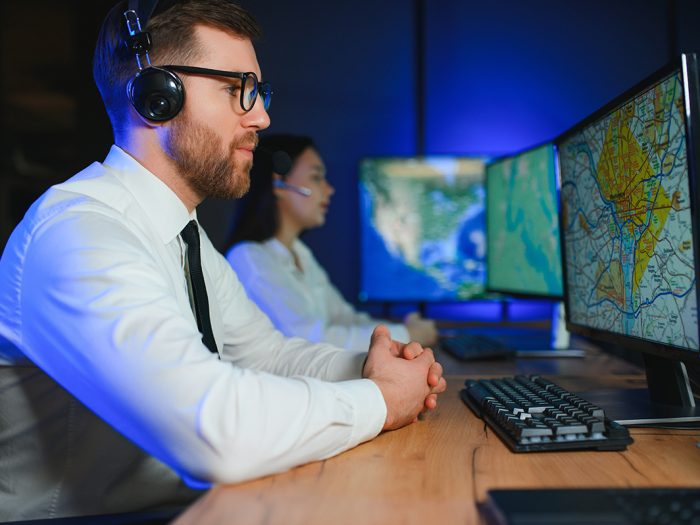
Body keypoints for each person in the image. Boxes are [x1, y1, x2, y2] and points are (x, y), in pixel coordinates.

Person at [0, 0, 446, 520]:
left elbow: (265, 356)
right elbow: (216, 432)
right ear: (155, 98)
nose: (261, 116)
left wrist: (369, 367)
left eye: (258, 92)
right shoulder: (78, 235)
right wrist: (381, 400)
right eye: (238, 90)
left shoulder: (180, 233)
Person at [226, 134, 439, 351]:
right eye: (316, 178)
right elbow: (307, 339)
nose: (329, 189)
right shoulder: (249, 258)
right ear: (279, 183)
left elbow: (344, 318)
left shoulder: (300, 253)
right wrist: (407, 334)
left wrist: (401, 331)